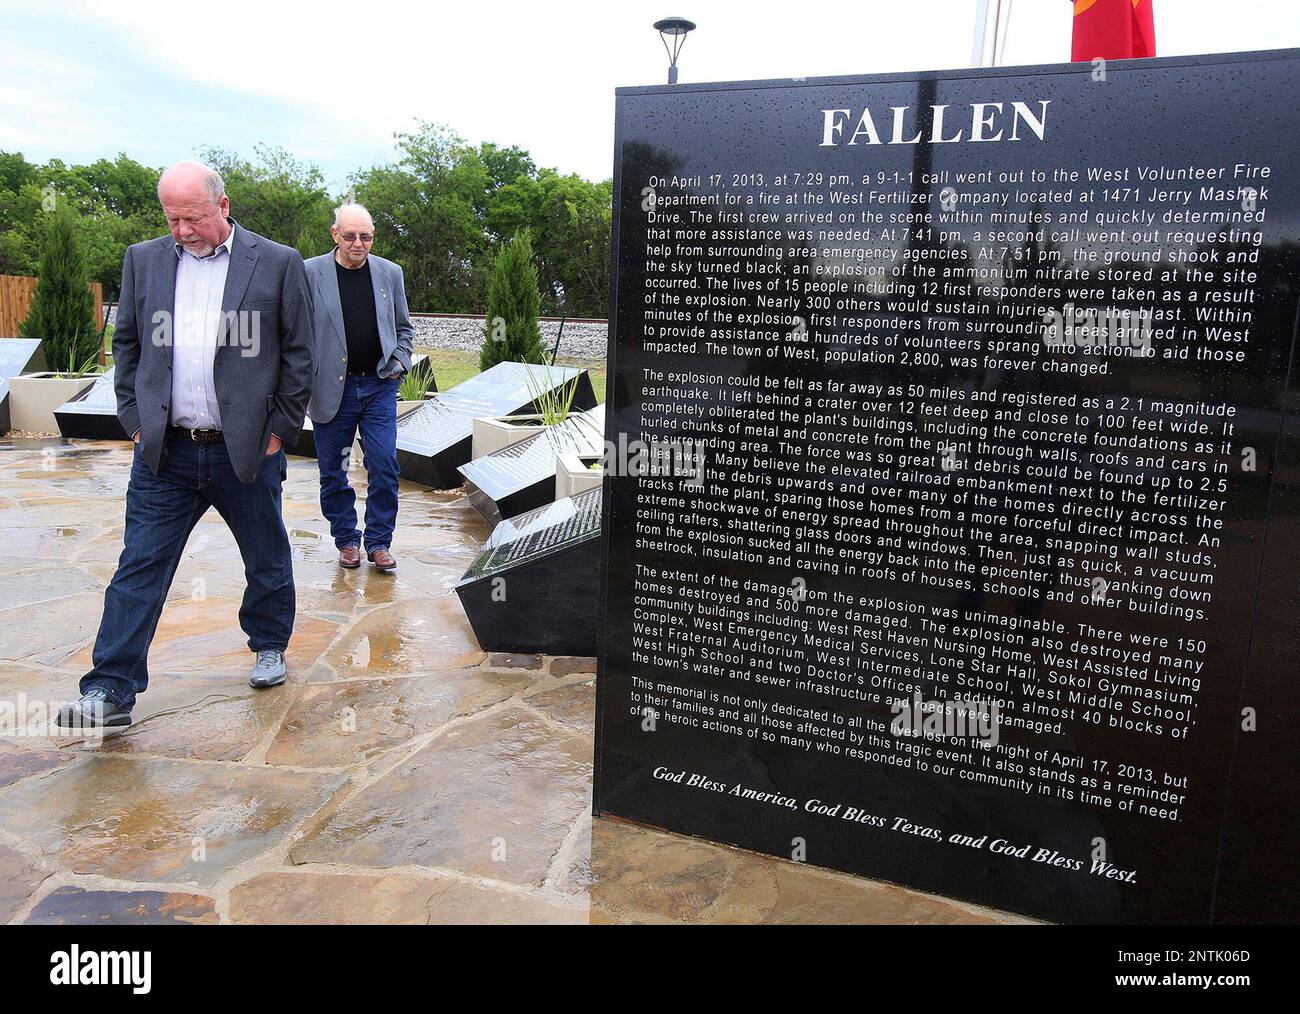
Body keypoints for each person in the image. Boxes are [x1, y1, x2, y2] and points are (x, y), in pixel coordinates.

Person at [57, 160, 314, 734]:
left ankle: (269, 642)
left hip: (245, 449)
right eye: (172, 218)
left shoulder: (275, 263)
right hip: (165, 453)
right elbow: (125, 344)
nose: (181, 230)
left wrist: (279, 429)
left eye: (192, 217)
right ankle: (109, 687)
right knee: (138, 566)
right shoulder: (143, 260)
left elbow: (300, 353)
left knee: (265, 553)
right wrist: (134, 417)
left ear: (223, 206)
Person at [304, 202, 414, 573]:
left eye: (365, 236)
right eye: (350, 235)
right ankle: (347, 540)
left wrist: (399, 363)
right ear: (335, 234)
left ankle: (379, 542)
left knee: (384, 463)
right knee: (333, 471)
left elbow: (404, 329)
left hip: (379, 386)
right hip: (330, 390)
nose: (358, 243)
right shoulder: (310, 273)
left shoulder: (389, 273)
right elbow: (294, 331)